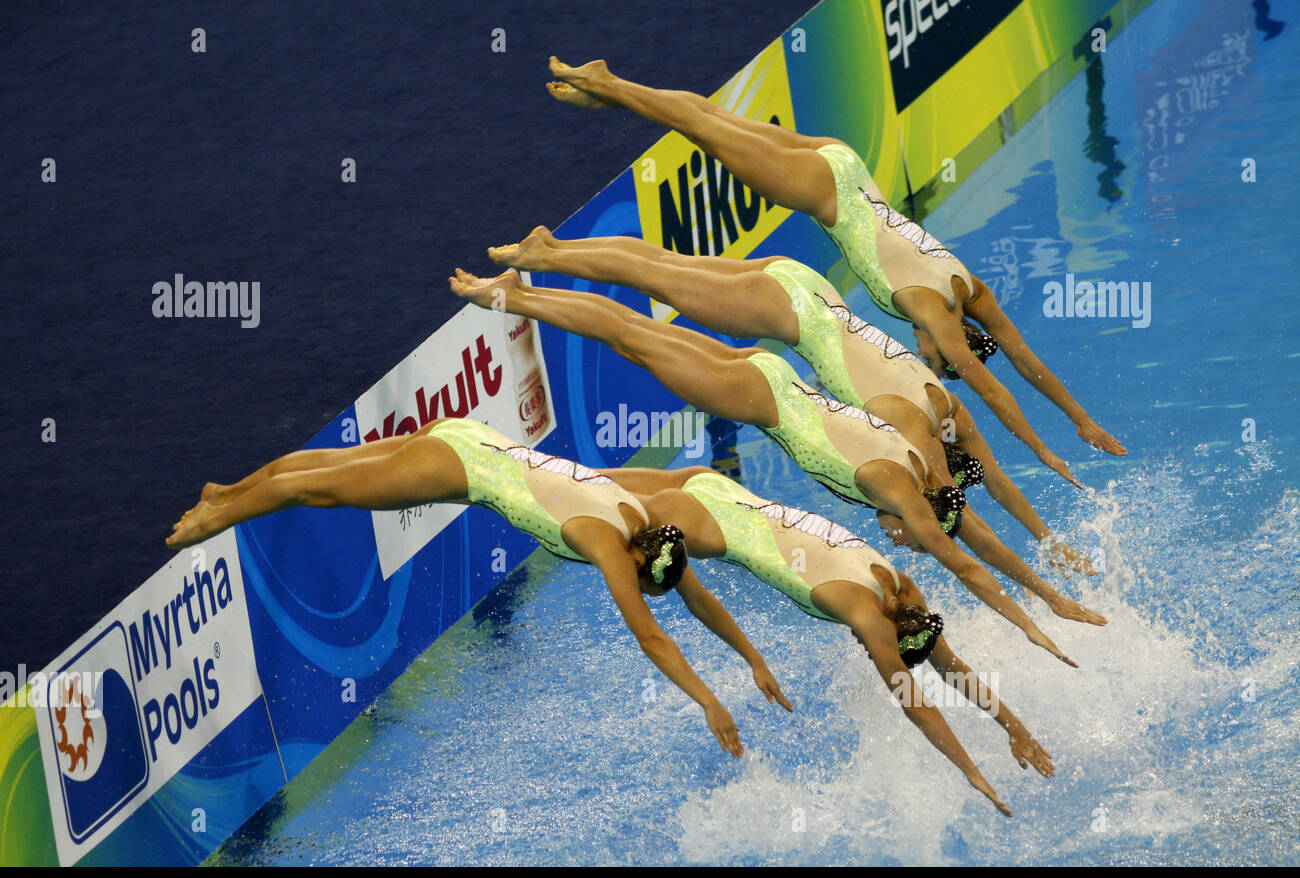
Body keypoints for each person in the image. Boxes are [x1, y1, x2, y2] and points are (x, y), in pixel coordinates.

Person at [450, 268, 1103, 667]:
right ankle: (517, 292)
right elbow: (960, 558)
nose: (898, 540)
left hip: (772, 381)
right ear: (921, 510)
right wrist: (1030, 622)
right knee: (632, 335)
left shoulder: (926, 460)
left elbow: (974, 543)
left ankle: (527, 286)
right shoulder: (899, 487)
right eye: (908, 532)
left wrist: (1050, 595)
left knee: (640, 330)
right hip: (761, 396)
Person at [544, 57, 1128, 484]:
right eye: (934, 356)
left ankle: (608, 91)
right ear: (949, 347)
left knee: (716, 121)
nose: (922, 352)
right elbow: (990, 380)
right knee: (708, 131)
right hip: (827, 193)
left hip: (843, 164)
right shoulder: (935, 312)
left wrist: (1078, 419)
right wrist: (1042, 451)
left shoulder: (972, 292)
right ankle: (609, 82)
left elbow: (1020, 352)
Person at [165, 417, 794, 757]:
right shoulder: (609, 548)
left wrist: (753, 658)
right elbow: (652, 637)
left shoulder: (645, 519)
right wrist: (709, 700)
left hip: (470, 433)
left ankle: (227, 490)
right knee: (323, 490)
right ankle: (217, 516)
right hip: (458, 465)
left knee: (328, 469)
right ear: (637, 567)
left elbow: (696, 596)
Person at [489, 226, 1095, 573]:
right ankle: (542, 265)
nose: (896, 535)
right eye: (905, 529)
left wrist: (1048, 506)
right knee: (645, 317)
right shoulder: (905, 461)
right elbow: (963, 542)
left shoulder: (939, 424)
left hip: (806, 299)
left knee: (665, 276)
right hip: (786, 328)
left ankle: (551, 254)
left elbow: (987, 490)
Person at [603, 464, 1056, 817]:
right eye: (882, 650)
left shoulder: (899, 590)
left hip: (722, 492)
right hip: (709, 526)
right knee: (590, 510)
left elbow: (950, 666)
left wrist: (1014, 728)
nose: (867, 648)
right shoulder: (870, 616)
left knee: (582, 479)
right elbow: (917, 704)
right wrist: (972, 773)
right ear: (889, 637)